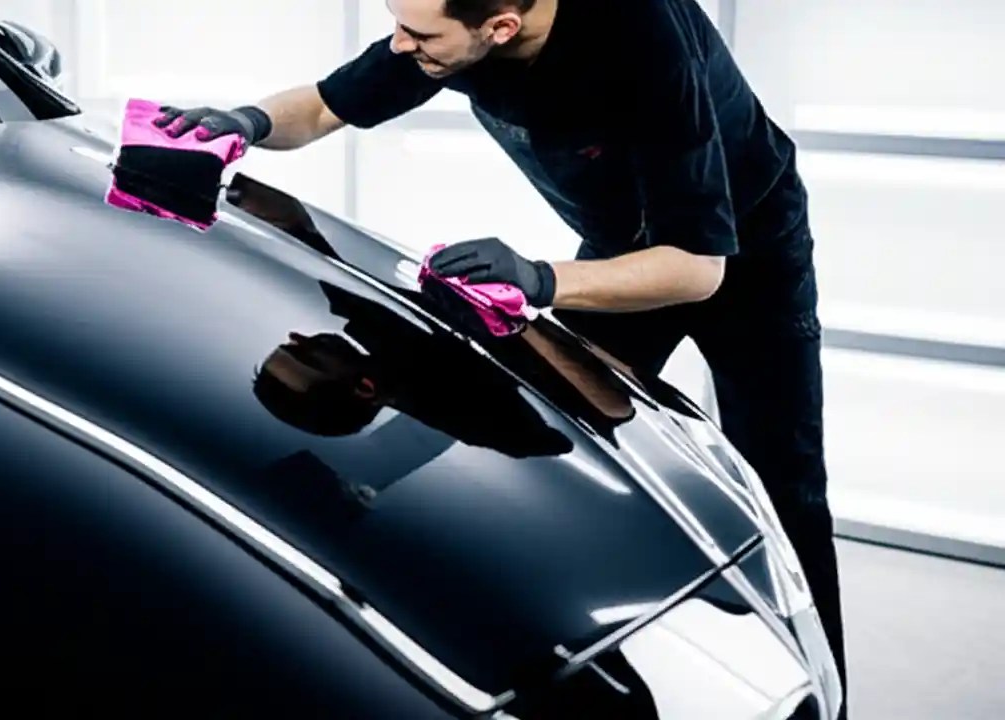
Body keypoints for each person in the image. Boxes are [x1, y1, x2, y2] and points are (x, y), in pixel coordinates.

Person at [155, 0, 848, 712]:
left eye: (417, 34)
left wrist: (540, 280)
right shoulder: (443, 33)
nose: (399, 46)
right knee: (540, 438)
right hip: (621, 249)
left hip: (747, 255)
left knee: (787, 486)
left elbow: (699, 270)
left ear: (502, 28)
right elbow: (325, 107)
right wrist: (247, 123)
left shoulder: (641, 43)